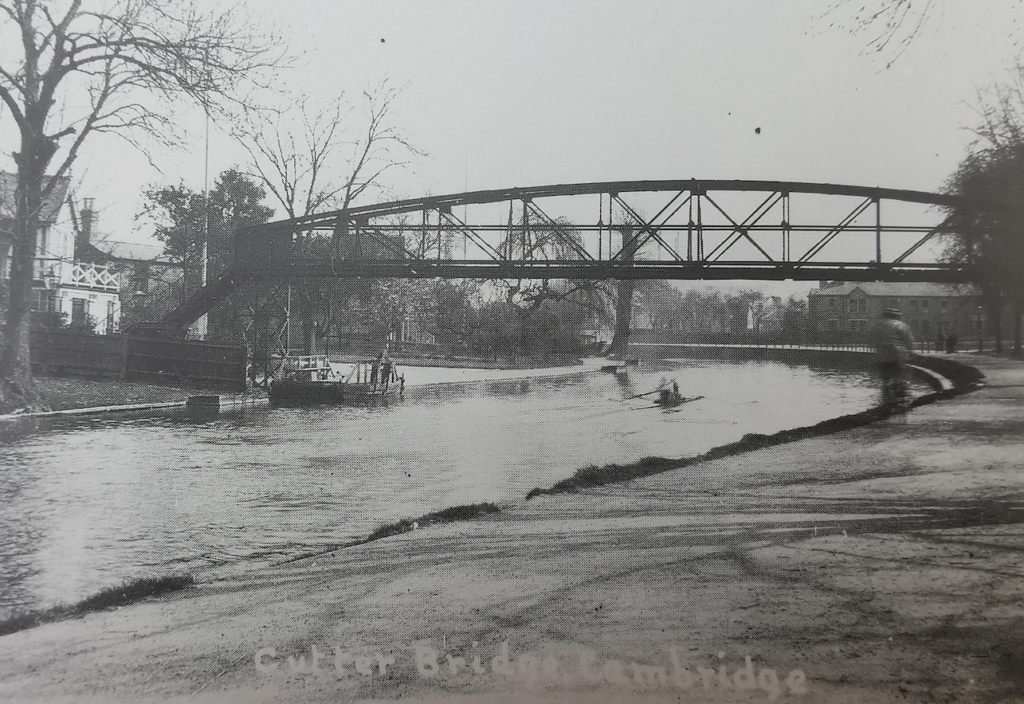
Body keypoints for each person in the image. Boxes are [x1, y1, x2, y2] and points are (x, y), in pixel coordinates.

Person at [874, 307, 914, 408]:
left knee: (885, 379)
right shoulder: (902, 325)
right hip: (899, 356)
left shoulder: (877, 326)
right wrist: (910, 353)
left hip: (882, 356)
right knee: (899, 376)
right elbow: (909, 342)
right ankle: (900, 398)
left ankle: (886, 401)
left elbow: (872, 341)